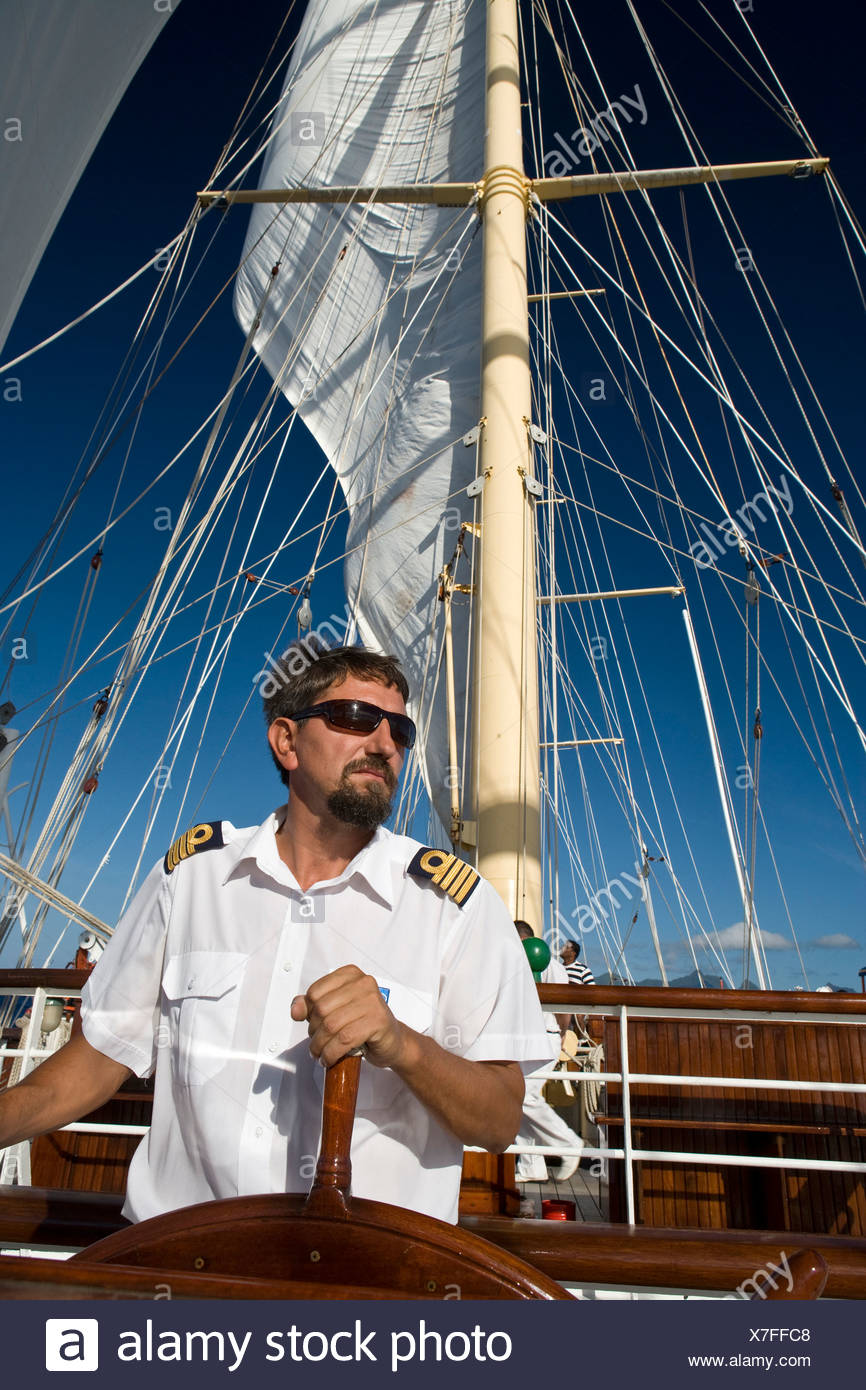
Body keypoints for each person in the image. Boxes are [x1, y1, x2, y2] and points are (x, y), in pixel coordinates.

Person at [0, 644, 552, 1226]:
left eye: (400, 730)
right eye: (356, 719)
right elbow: (101, 1055)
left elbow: (497, 1120)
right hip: (178, 1268)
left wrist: (403, 1045)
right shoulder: (191, 878)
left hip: (359, 1287)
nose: (385, 744)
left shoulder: (453, 907)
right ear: (286, 741)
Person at [513, 921, 584, 1185]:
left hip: (546, 1037)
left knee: (525, 1096)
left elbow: (563, 1007)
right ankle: (532, 1165)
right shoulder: (514, 964)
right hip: (523, 1039)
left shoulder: (551, 967)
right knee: (515, 1097)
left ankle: (568, 1142)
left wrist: (563, 1034)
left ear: (526, 940)